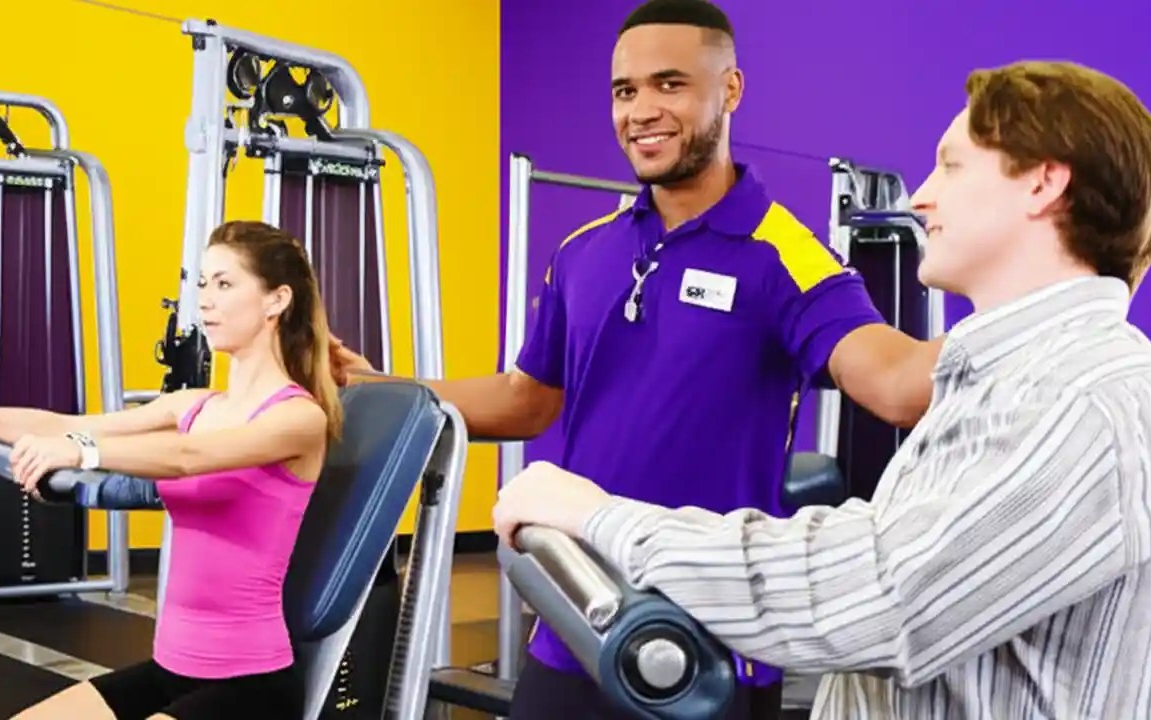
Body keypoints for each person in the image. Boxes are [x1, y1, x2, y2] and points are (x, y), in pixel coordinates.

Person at [493, 59, 1151, 719]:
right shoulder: (1014, 383)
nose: (922, 195)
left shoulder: (1083, 400)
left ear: (1043, 185)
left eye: (952, 165)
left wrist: (606, 520)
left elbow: (880, 597)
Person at [328, 1, 941, 717]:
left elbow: (897, 384)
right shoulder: (586, 251)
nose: (643, 110)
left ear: (731, 90)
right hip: (575, 613)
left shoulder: (786, 258)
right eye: (626, 91)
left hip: (705, 643)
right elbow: (529, 399)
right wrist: (387, 390)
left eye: (671, 85)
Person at [0, 221, 341, 720]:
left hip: (248, 687)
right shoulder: (195, 405)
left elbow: (188, 458)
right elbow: (66, 423)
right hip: (170, 670)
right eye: (202, 284)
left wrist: (81, 452)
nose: (205, 300)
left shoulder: (299, 417)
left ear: (276, 300)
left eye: (224, 284)